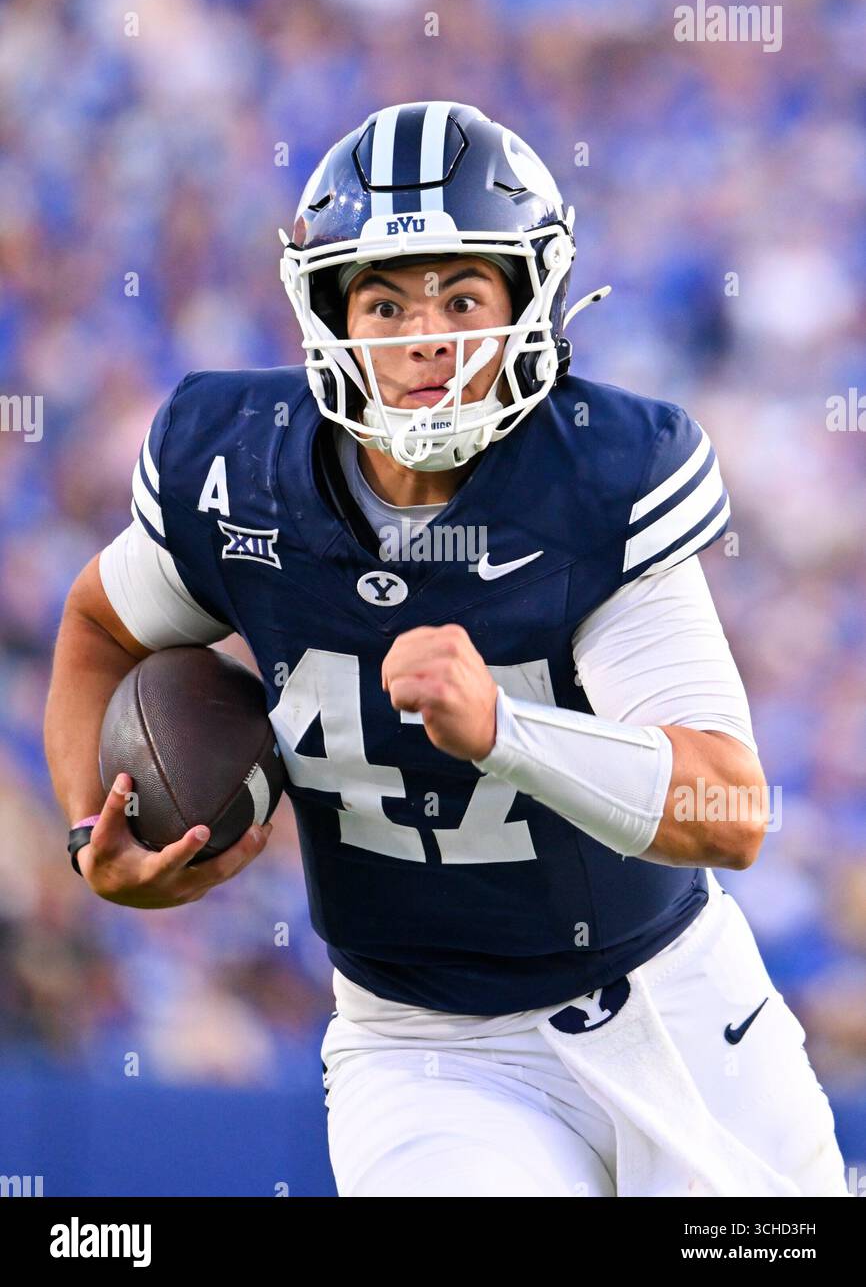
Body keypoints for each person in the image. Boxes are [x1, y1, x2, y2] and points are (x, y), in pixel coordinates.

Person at [44, 101, 849, 1196]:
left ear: (530, 304)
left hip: (676, 1005)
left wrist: (505, 733)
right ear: (328, 314)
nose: (426, 336)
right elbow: (96, 625)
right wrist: (97, 830)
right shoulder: (239, 475)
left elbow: (729, 810)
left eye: (462, 297)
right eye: (384, 299)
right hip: (424, 1048)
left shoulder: (598, 478)